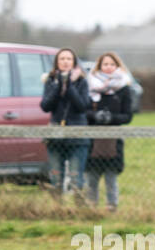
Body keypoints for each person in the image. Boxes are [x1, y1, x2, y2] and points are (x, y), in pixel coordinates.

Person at [84, 52, 135, 210]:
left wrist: (111, 118)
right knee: (91, 176)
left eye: (112, 64)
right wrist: (95, 116)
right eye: (105, 64)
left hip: (114, 139)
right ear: (99, 66)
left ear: (117, 66)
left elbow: (127, 116)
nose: (108, 67)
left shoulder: (124, 90)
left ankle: (112, 206)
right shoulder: (90, 87)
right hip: (93, 138)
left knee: (111, 177)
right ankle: (91, 207)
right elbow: (84, 111)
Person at [39, 48, 91, 198]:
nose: (65, 62)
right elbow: (45, 106)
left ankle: (79, 211)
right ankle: (57, 210)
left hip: (77, 136)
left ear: (74, 62)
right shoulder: (50, 80)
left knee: (76, 178)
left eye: (69, 59)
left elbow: (82, 106)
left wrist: (69, 86)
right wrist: (58, 86)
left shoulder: (82, 82)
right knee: (56, 178)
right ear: (57, 62)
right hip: (56, 136)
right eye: (62, 59)